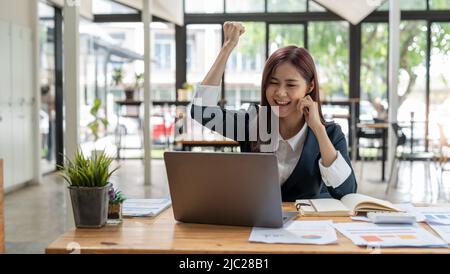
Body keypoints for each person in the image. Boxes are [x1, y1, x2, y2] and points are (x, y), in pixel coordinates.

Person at [190, 22, 357, 201]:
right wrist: (226, 48)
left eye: (291, 84)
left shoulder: (330, 134)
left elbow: (346, 192)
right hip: (256, 223)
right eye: (273, 82)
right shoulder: (252, 123)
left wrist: (318, 129)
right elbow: (202, 111)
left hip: (307, 227)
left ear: (310, 86)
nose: (280, 93)